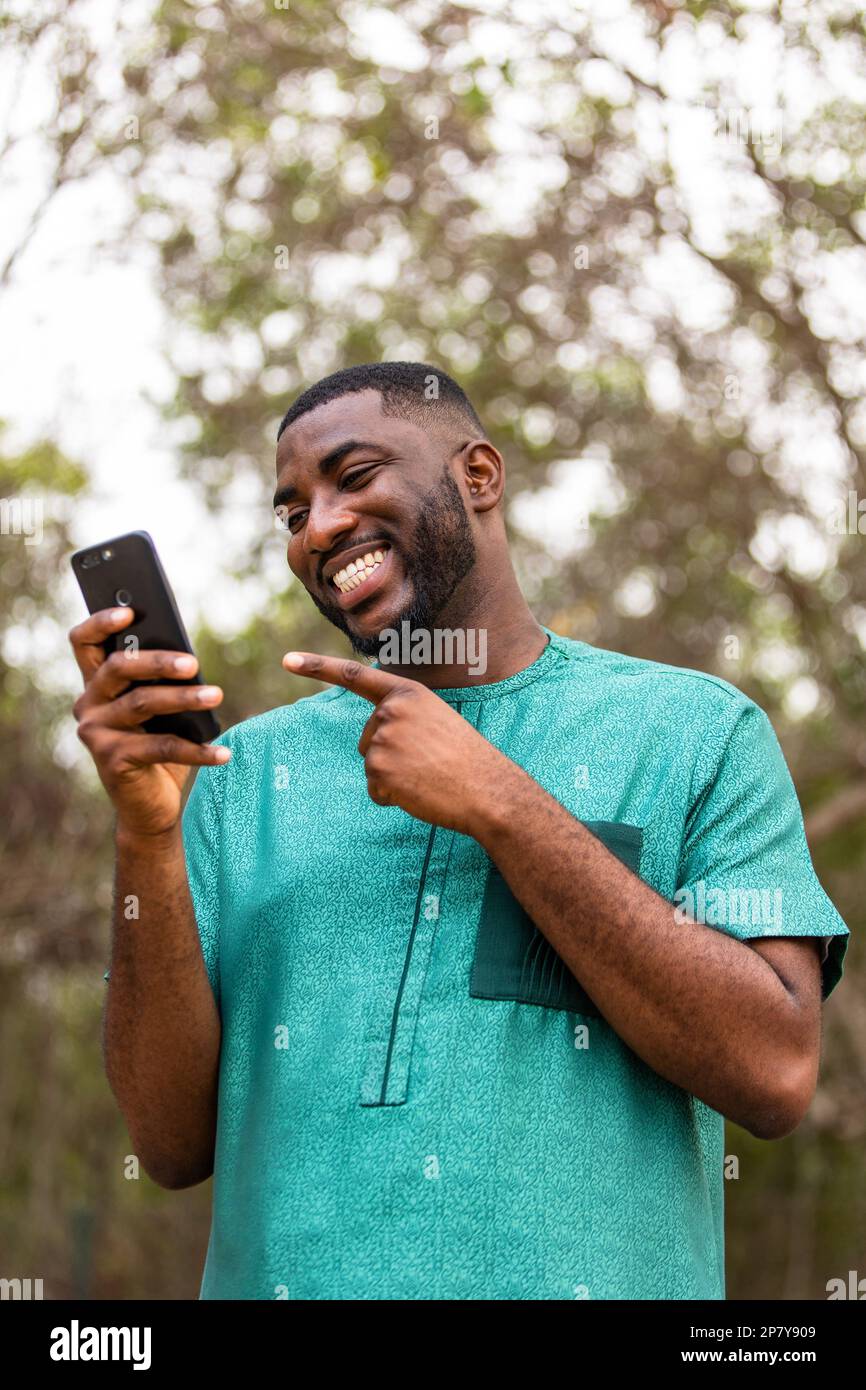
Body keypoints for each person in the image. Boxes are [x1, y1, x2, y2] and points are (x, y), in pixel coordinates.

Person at [69, 361, 849, 1300]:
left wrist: (502, 804)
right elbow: (167, 1143)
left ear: (479, 476)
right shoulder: (241, 780)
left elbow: (775, 1071)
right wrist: (148, 836)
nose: (319, 528)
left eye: (354, 478)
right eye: (292, 512)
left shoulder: (698, 735)